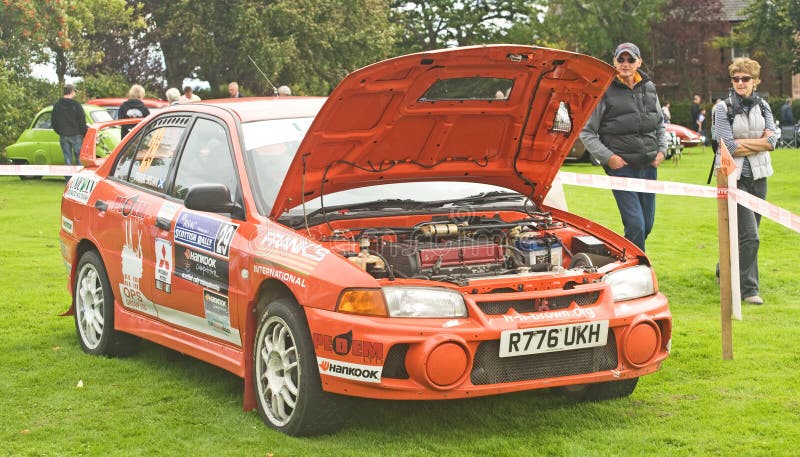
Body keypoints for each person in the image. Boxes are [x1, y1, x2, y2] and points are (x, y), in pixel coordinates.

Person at [579, 42, 667, 252]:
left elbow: (660, 123)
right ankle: (638, 272)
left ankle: (621, 257)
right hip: (622, 169)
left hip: (648, 167)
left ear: (639, 62)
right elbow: (586, 132)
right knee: (636, 225)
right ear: (614, 62)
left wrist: (662, 150)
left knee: (646, 226)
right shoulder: (603, 90)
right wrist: (609, 158)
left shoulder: (649, 87)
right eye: (621, 59)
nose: (625, 64)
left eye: (630, 59)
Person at [712, 57, 776, 305]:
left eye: (745, 78)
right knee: (751, 237)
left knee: (748, 234)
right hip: (732, 178)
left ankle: (723, 268)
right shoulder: (722, 108)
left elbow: (772, 143)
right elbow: (727, 146)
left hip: (759, 177)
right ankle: (749, 289)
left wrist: (746, 145)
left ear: (755, 82)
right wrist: (757, 145)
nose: (740, 82)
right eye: (736, 78)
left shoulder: (764, 107)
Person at [51, 84, 87, 169]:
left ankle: (68, 179)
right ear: (71, 91)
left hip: (63, 135)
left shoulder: (57, 105)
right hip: (76, 135)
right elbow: (82, 120)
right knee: (79, 159)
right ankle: (79, 179)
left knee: (67, 158)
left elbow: (53, 121)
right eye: (75, 91)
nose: (75, 93)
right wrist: (84, 133)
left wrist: (59, 131)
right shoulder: (76, 105)